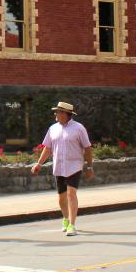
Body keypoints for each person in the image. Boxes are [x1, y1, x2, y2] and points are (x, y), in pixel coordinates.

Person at [31, 101, 94, 237]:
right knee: (61, 197)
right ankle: (65, 218)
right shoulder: (53, 128)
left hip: (74, 165)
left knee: (71, 194)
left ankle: (72, 224)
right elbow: (48, 148)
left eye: (58, 112)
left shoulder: (78, 128)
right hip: (59, 166)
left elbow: (87, 148)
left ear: (66, 114)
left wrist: (89, 166)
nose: (56, 114)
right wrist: (39, 164)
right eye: (56, 112)